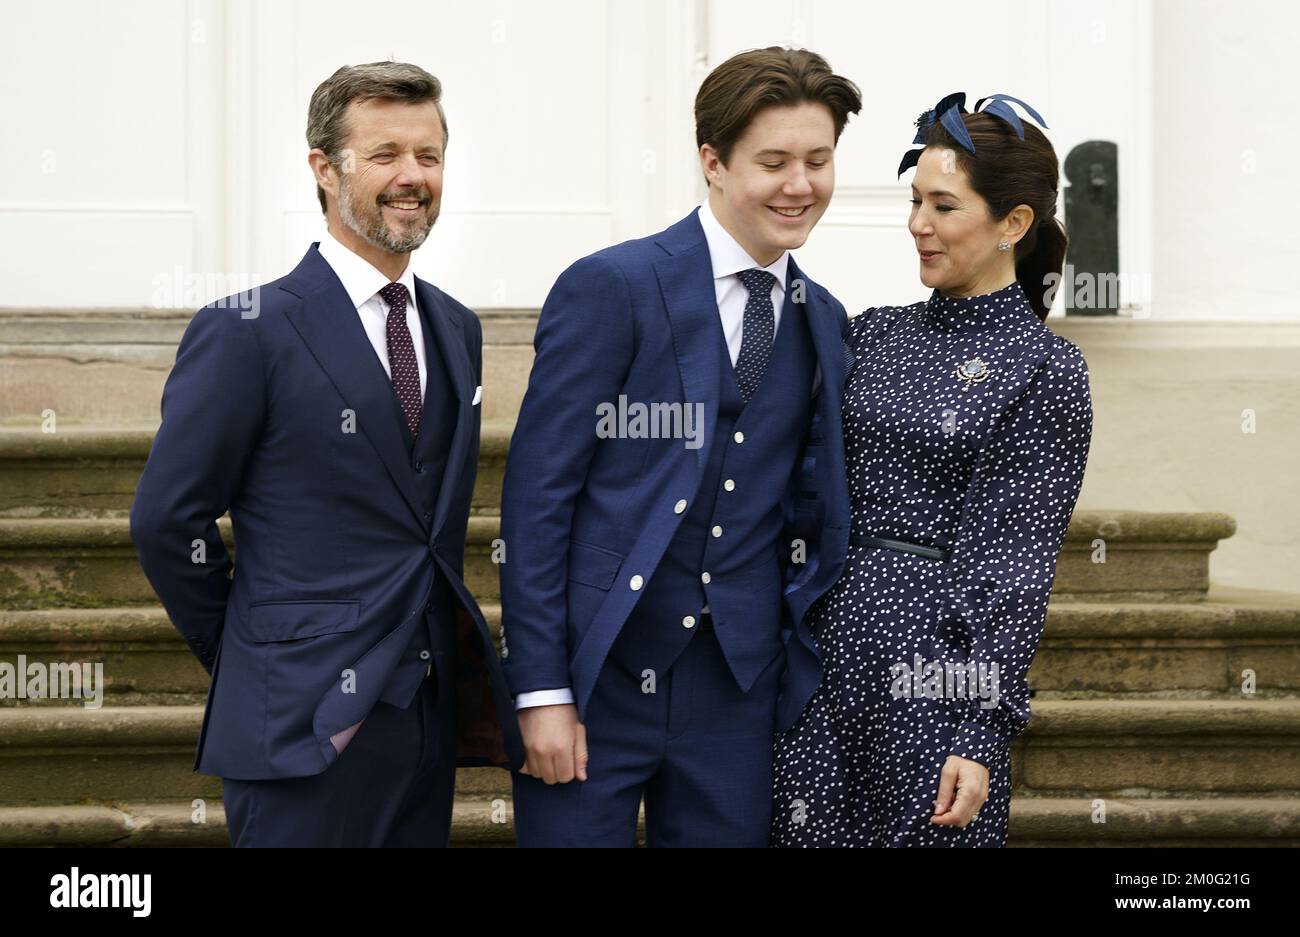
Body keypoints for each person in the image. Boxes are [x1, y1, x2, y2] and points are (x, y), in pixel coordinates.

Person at [129, 61, 523, 847]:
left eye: (429, 156)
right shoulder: (247, 328)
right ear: (325, 168)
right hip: (299, 725)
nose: (413, 176)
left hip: (426, 721)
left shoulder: (455, 329)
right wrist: (259, 656)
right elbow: (169, 521)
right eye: (385, 155)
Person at [499, 47, 862, 847]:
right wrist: (541, 689)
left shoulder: (824, 320)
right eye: (773, 161)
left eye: (818, 160)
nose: (799, 185)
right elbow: (537, 500)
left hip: (735, 696)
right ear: (713, 161)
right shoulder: (614, 286)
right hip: (598, 681)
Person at [770, 93, 1093, 847]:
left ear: (1013, 224)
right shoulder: (873, 333)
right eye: (914, 200)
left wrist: (979, 730)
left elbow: (1015, 561)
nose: (918, 223)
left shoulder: (1044, 369)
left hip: (938, 674)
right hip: (824, 660)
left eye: (943, 205)